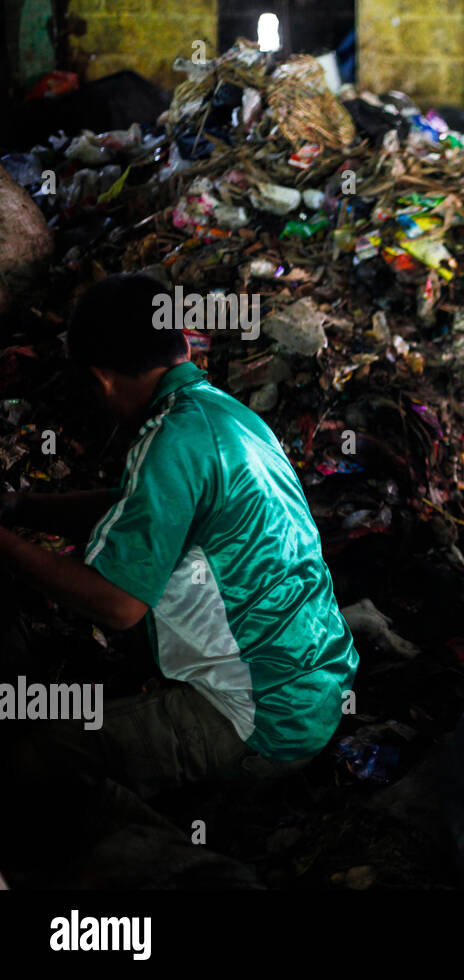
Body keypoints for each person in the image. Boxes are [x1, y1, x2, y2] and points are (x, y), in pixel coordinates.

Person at [0, 273, 358, 874]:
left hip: (259, 716)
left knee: (36, 753)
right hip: (317, 687)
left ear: (100, 379)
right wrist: (21, 509)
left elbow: (118, 605)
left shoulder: (169, 437)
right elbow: (136, 506)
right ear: (183, 347)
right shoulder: (227, 417)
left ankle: (188, 871)